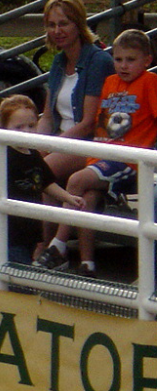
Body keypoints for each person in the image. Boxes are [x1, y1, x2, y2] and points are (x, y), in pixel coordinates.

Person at [35, 29, 157, 279]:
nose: (123, 66)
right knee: (87, 197)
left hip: (127, 159)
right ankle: (87, 262)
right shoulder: (110, 82)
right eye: (119, 59)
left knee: (76, 182)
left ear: (147, 60)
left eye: (131, 60)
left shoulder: (150, 83)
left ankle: (58, 244)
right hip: (100, 155)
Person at [0, 95, 84, 267]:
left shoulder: (33, 154)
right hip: (9, 230)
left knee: (23, 271)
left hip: (30, 229)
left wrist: (68, 197)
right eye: (18, 127)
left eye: (31, 126)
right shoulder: (3, 155)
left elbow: (46, 183)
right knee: (15, 273)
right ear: (5, 128)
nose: (27, 132)